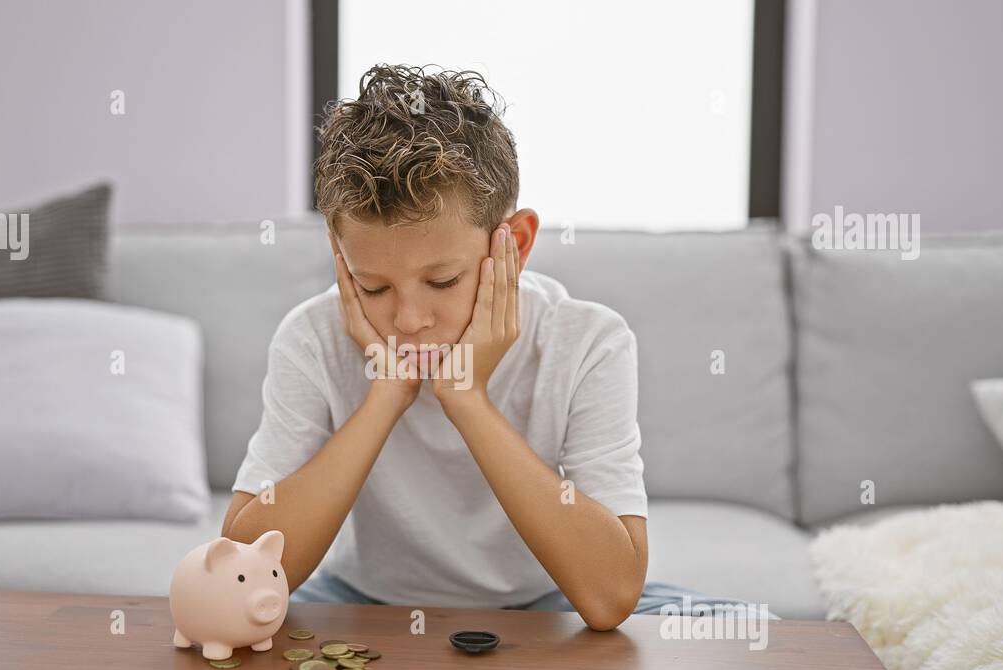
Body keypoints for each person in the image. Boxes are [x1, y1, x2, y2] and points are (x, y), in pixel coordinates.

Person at [222, 64, 777, 628]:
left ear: (515, 242)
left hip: (548, 599)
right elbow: (237, 573)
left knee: (760, 634)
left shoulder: (587, 342)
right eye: (373, 287)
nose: (409, 320)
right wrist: (388, 396)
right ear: (341, 257)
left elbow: (609, 596)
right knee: (211, 630)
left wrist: (467, 399)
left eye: (443, 282)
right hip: (358, 598)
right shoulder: (312, 338)